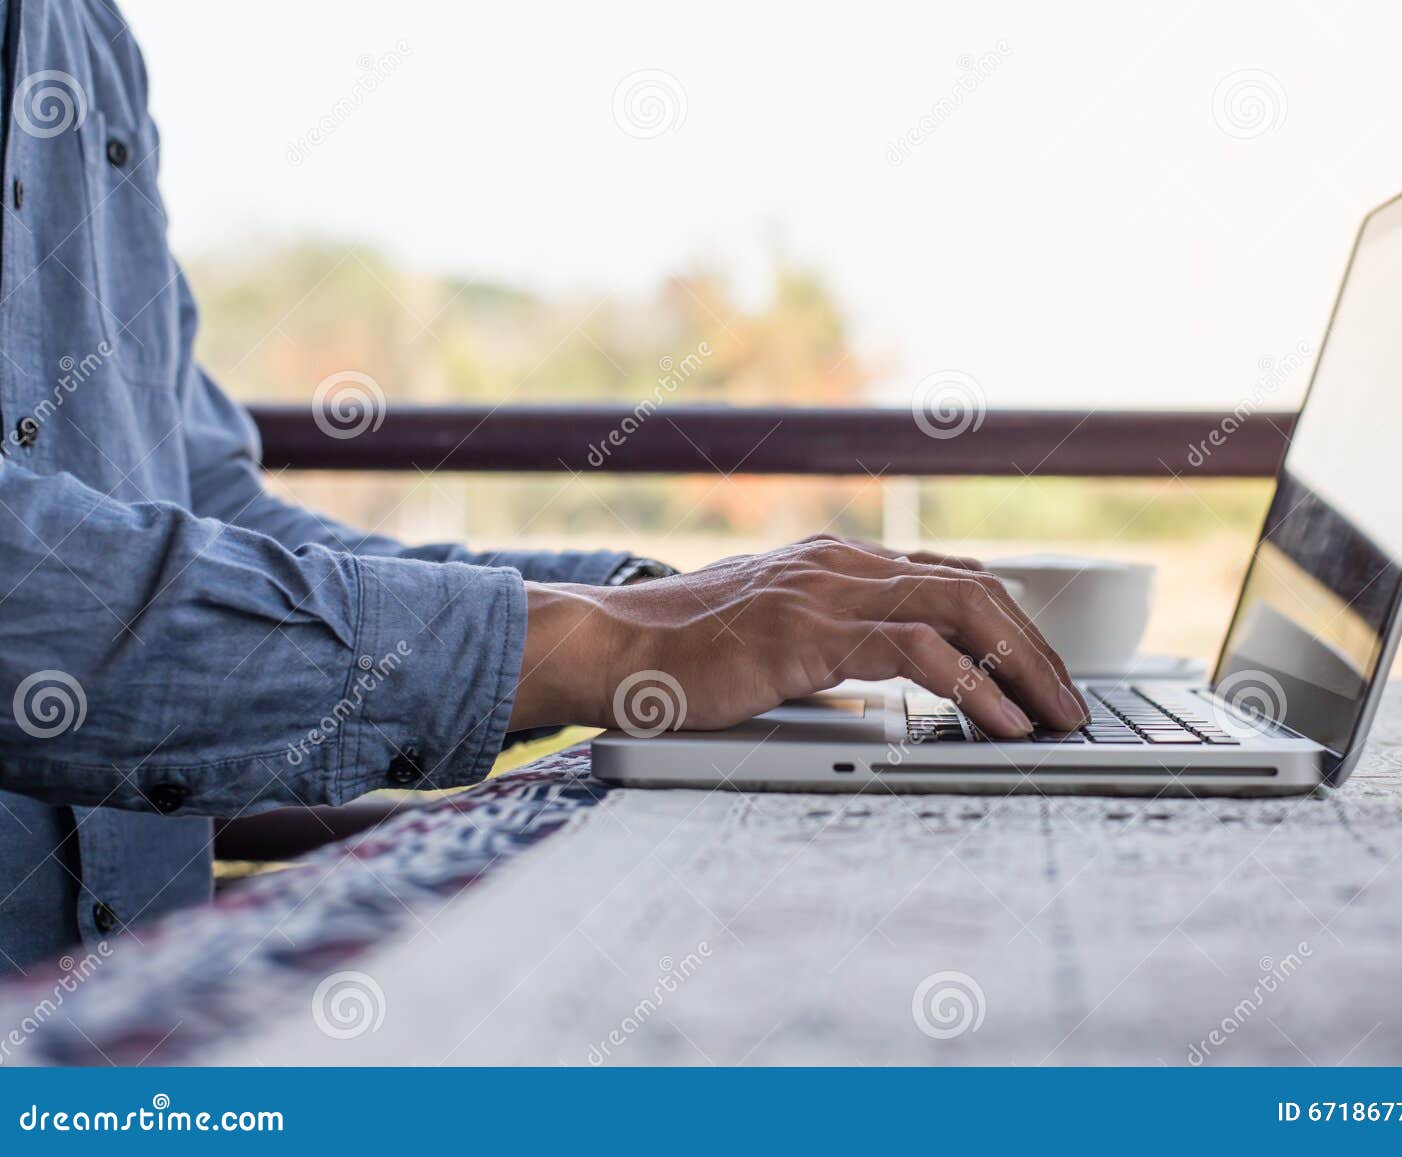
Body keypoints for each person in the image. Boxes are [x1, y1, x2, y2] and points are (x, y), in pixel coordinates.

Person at [0, 1, 1086, 974]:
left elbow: (210, 518)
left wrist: (663, 601)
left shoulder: (89, 35)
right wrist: (608, 647)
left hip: (134, 1035)